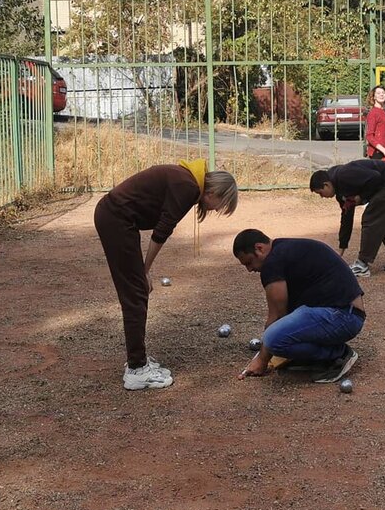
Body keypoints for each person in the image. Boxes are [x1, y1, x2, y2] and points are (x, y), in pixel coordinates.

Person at [94, 160, 238, 390]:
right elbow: (161, 232)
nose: (216, 210)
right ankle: (137, 369)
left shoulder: (188, 179)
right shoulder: (188, 186)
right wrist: (145, 270)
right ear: (213, 192)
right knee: (135, 294)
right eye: (221, 204)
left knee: (137, 290)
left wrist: (144, 270)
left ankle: (138, 361)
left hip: (118, 218)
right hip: (115, 219)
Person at [232, 229, 363, 383]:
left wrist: (262, 359)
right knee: (281, 335)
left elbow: (277, 316)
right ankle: (322, 354)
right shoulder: (285, 248)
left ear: (259, 248)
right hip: (349, 315)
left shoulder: (272, 263)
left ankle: (337, 355)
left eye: (249, 262)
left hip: (342, 316)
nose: (249, 269)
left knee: (273, 339)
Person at [309, 158, 385, 278]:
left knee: (371, 218)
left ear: (326, 185)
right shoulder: (339, 192)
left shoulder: (344, 175)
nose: (322, 197)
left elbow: (375, 177)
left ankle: (362, 265)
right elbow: (346, 218)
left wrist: (361, 196)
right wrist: (341, 249)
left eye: (320, 193)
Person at [365, 84, 385, 160]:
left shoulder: (383, 111)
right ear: (374, 97)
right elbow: (369, 136)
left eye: (383, 93)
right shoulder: (373, 113)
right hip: (377, 153)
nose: (381, 95)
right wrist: (384, 151)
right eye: (378, 93)